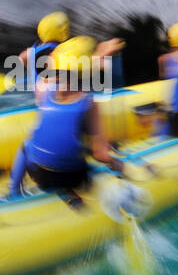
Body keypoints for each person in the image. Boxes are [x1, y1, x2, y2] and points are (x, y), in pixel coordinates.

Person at [9, 36, 126, 197]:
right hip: (71, 178)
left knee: (27, 145)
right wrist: (119, 164)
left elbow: (52, 65)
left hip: (38, 174)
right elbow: (100, 155)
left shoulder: (43, 88)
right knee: (87, 150)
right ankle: (73, 192)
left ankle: (13, 190)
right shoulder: (90, 103)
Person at [17, 11, 70, 91]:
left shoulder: (35, 48)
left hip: (38, 95)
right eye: (66, 29)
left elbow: (21, 58)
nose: (68, 31)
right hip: (55, 97)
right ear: (61, 32)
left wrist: (33, 72)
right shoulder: (56, 51)